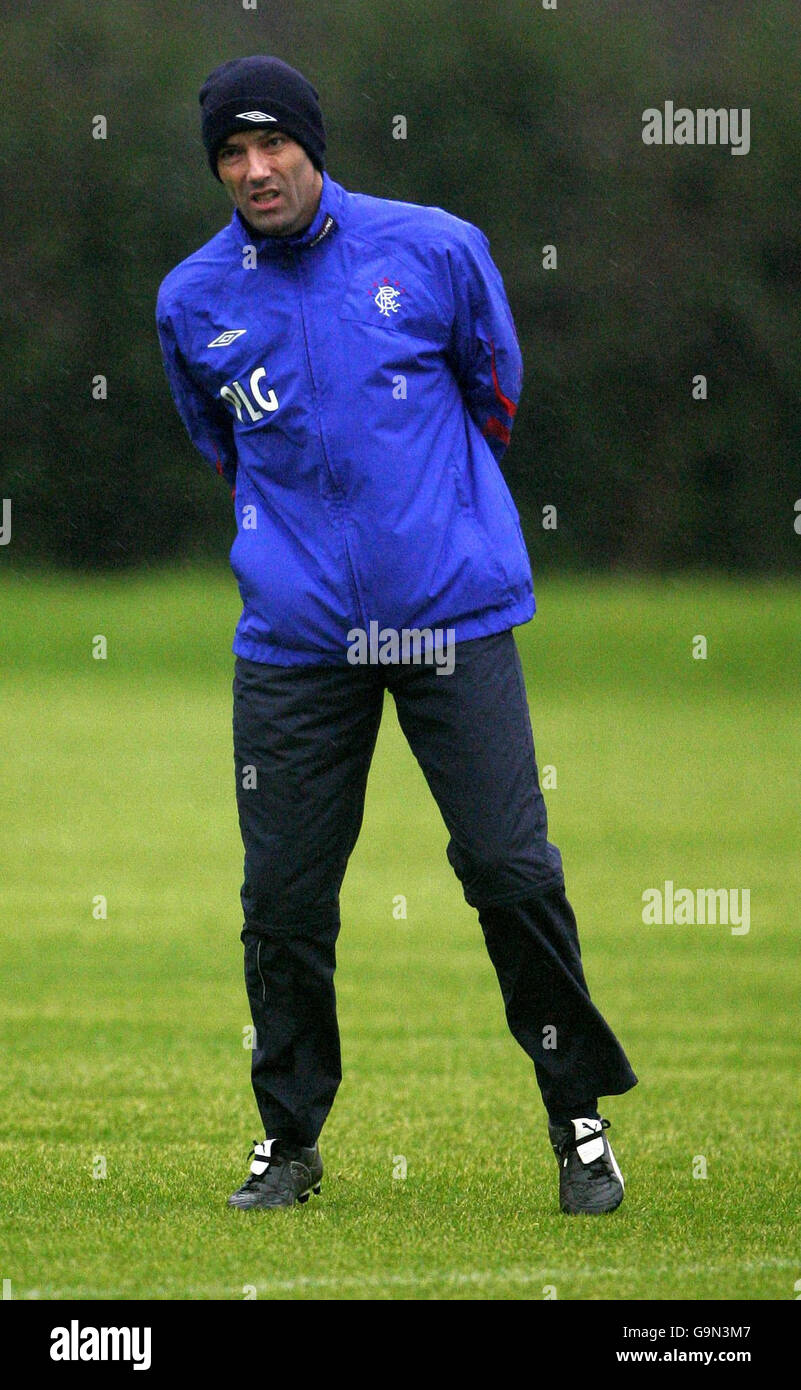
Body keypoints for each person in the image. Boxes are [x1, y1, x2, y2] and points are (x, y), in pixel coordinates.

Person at [155, 54, 637, 1216]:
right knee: (282, 898)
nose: (256, 168)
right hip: (295, 645)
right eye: (233, 151)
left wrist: (431, 529)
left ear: (317, 147)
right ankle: (288, 1138)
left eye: (275, 146)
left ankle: (578, 1120)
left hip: (448, 624)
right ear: (218, 165)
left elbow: (495, 392)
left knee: (512, 870)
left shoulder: (432, 248)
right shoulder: (192, 300)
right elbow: (222, 450)